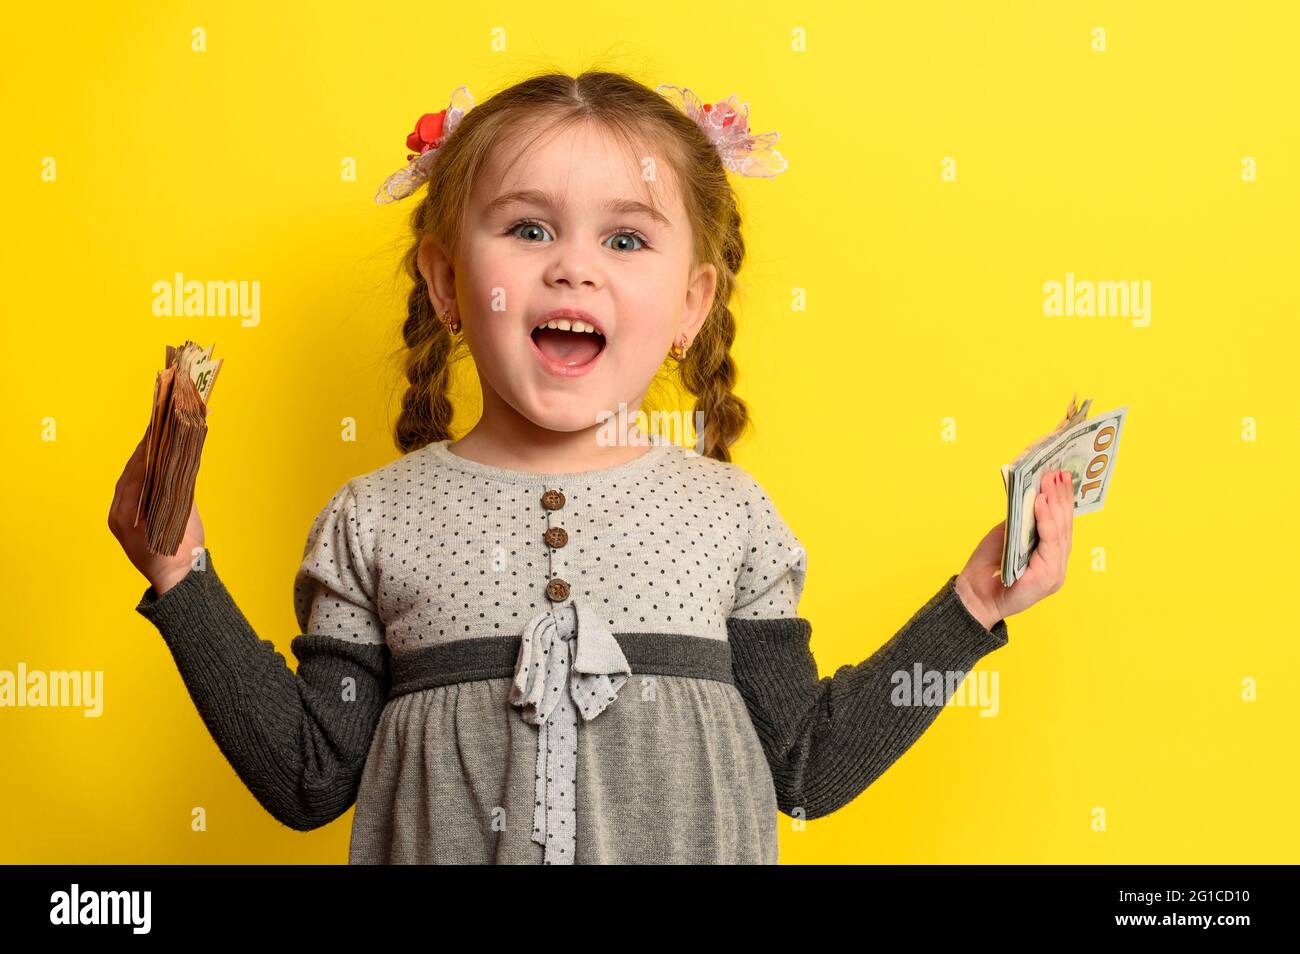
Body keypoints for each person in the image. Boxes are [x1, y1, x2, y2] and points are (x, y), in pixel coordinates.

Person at [108, 70, 1075, 864]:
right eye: (529, 229)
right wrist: (180, 577)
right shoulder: (374, 522)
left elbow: (810, 766)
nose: (573, 266)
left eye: (625, 238)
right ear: (446, 281)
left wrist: (973, 607)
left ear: (692, 304)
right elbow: (308, 776)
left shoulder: (728, 517)